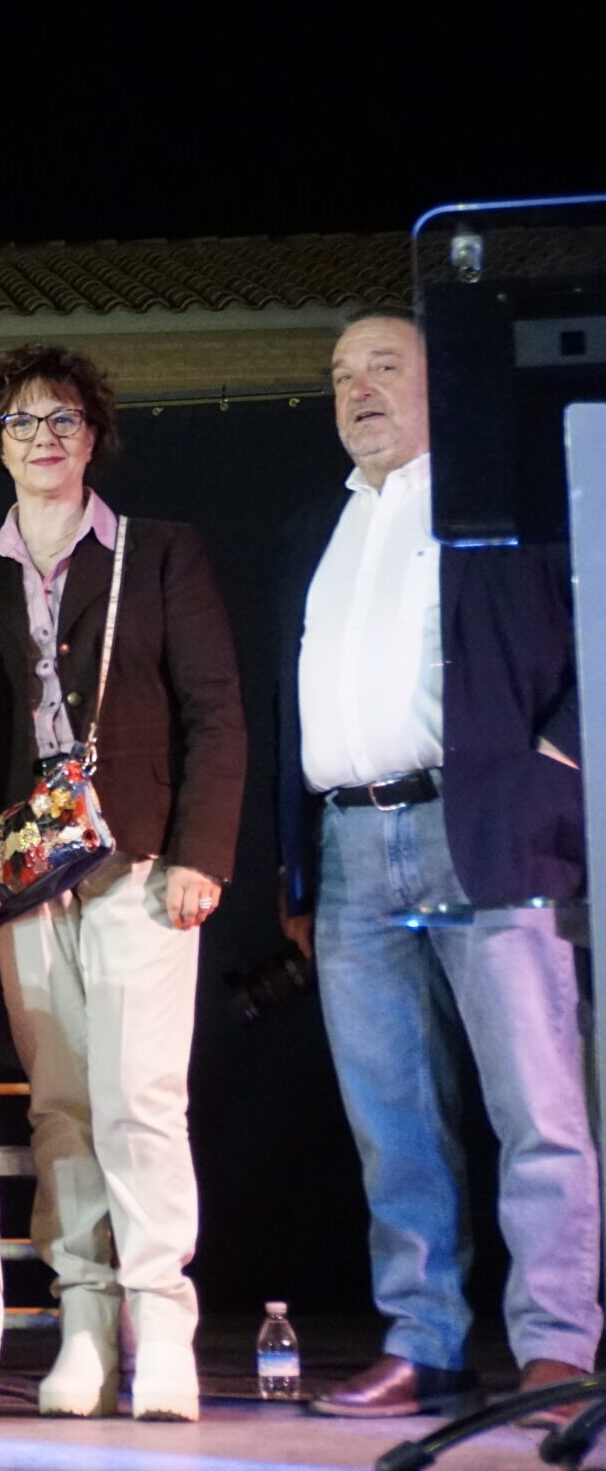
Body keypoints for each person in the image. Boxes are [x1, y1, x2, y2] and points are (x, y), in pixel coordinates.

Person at [277, 309, 599, 1421]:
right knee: (390, 1123)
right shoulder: (321, 525)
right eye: (337, 374)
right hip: (352, 848)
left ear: (436, 382)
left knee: (535, 1103)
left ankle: (558, 1344)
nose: (354, 388)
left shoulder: (495, 501)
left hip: (486, 832)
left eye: (381, 365)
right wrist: (294, 867)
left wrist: (557, 752)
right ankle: (424, 1341)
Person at [0, 345, 245, 1421]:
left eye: (63, 418)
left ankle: (157, 1325)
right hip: (23, 876)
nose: (43, 436)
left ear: (94, 434)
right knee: (66, 1105)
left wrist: (200, 856)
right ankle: (82, 1325)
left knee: (139, 1099)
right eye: (21, 420)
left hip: (138, 864)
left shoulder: (156, 553)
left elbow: (214, 712)